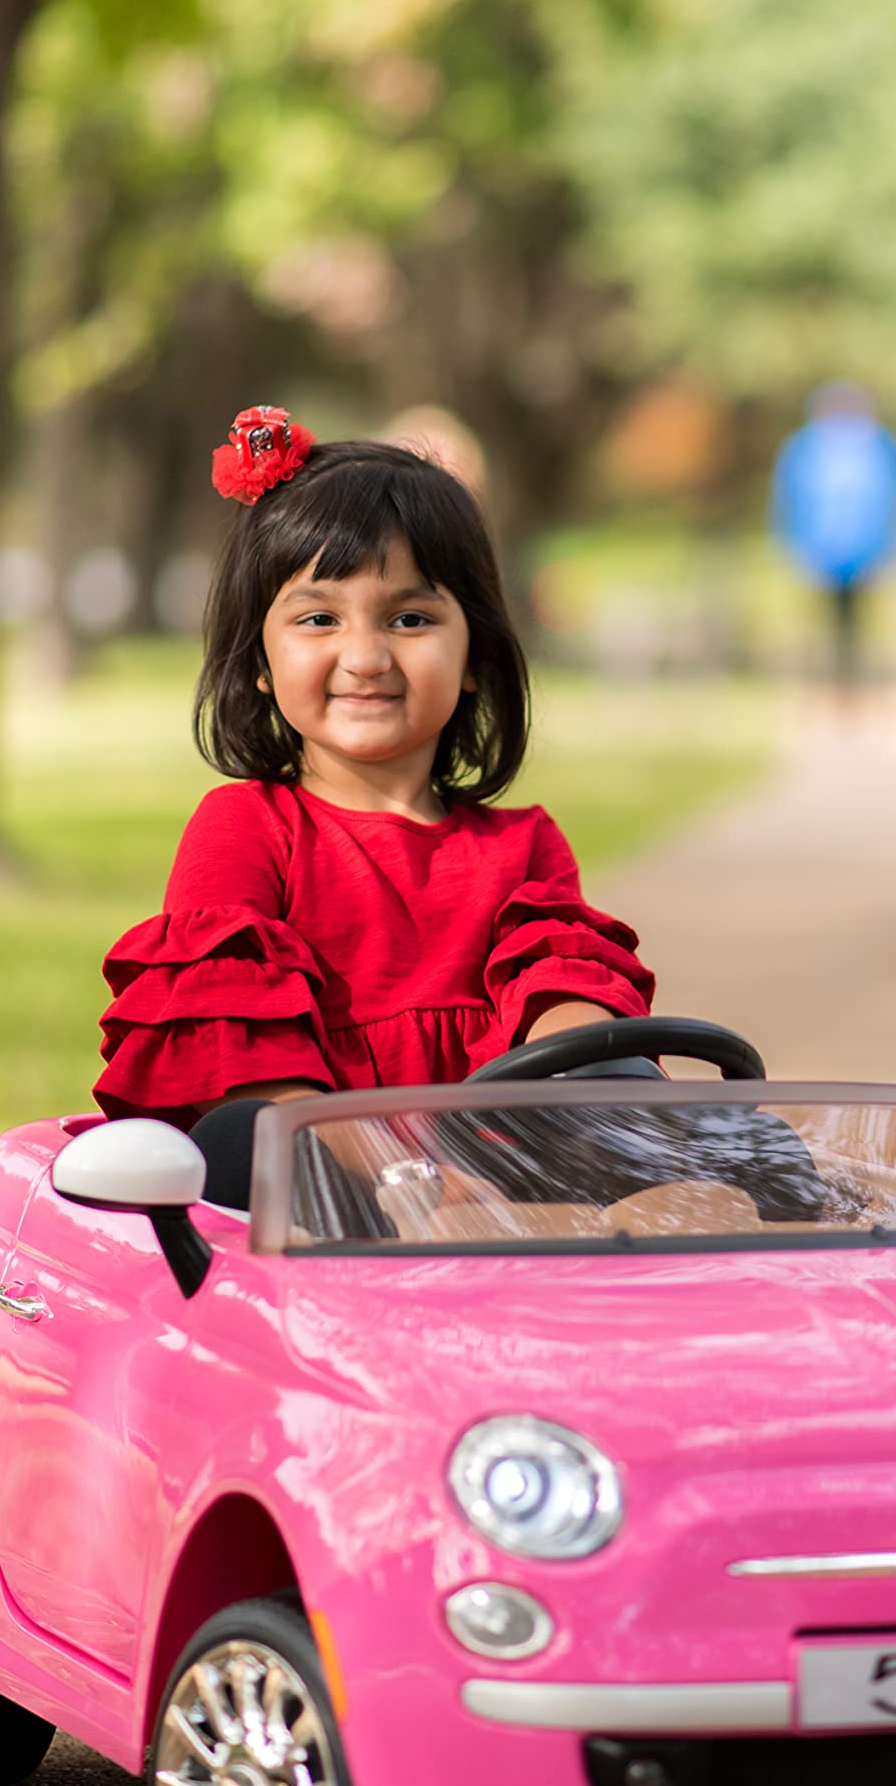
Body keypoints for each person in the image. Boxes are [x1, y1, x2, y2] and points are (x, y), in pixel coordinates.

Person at [93, 408, 654, 1195]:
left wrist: (604, 1092)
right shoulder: (247, 828)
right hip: (330, 1185)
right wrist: (407, 1183)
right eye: (318, 618)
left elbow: (565, 1006)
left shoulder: (523, 846)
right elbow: (242, 1052)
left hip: (503, 1179)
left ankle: (721, 1226)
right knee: (241, 1134)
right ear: (259, 660)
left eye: (410, 619)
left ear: (473, 658)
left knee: (623, 1075)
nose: (364, 657)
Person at [769, 384, 896, 690]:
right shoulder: (813, 446)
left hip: (857, 548)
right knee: (834, 624)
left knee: (853, 623)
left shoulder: (814, 445)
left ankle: (849, 682)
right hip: (832, 548)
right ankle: (836, 683)